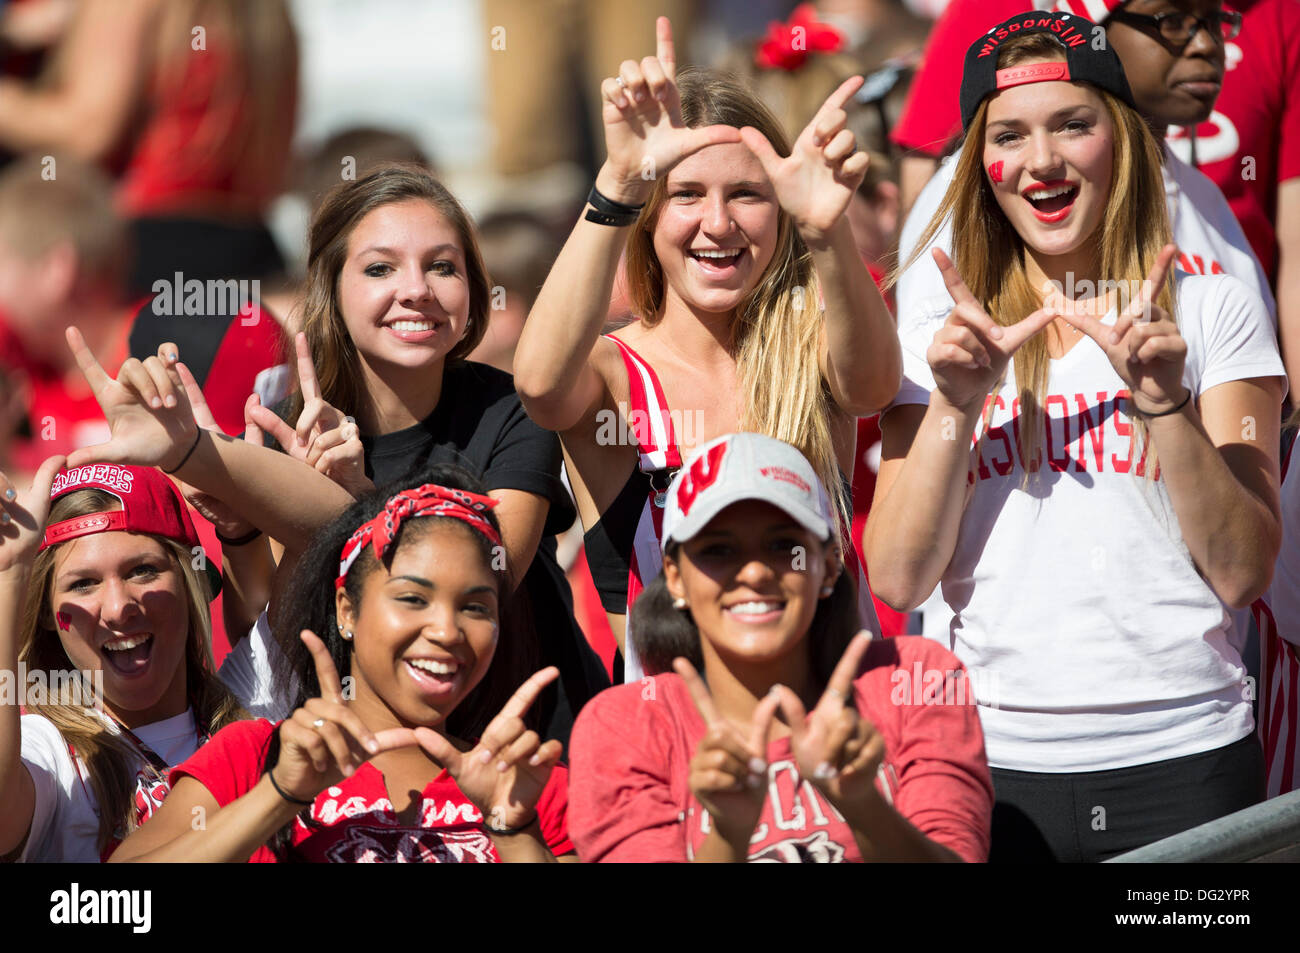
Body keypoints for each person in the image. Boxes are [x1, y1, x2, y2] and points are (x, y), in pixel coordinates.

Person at [865, 11, 1285, 861]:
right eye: (1009, 135)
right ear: (980, 166)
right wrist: (953, 403)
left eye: (1073, 124)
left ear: (1122, 139)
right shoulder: (943, 333)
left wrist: (1165, 404)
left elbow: (1244, 572)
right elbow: (901, 574)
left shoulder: (1213, 307)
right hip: (992, 766)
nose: (1041, 162)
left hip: (1187, 759)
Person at [514, 17, 902, 679]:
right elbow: (540, 383)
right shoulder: (615, 372)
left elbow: (871, 388)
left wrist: (826, 231)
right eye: (686, 195)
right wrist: (618, 182)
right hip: (674, 732)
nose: (717, 224)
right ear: (648, 215)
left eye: (747, 194)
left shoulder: (805, 342)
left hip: (833, 710)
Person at [245, 163, 607, 745]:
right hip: (367, 767)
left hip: (535, 754)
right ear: (331, 290)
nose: (416, 289)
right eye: (381, 268)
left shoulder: (513, 410)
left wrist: (355, 503)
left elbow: (485, 581)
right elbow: (289, 636)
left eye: (442, 266)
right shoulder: (291, 429)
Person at [110, 467, 575, 863]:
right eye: (413, 599)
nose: (447, 631)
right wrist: (280, 795)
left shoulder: (531, 786)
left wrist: (513, 829)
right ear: (346, 610)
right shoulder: (253, 756)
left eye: (475, 607)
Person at [567, 432, 992, 862]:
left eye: (783, 546)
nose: (753, 572)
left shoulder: (916, 680)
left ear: (828, 566)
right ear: (675, 576)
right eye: (718, 550)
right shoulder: (623, 726)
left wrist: (866, 808)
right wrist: (729, 832)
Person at [0, 456, 246, 862]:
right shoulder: (51, 754)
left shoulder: (253, 708)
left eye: (142, 571)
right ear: (46, 613)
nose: (117, 609)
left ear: (189, 582)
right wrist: (10, 579)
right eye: (83, 584)